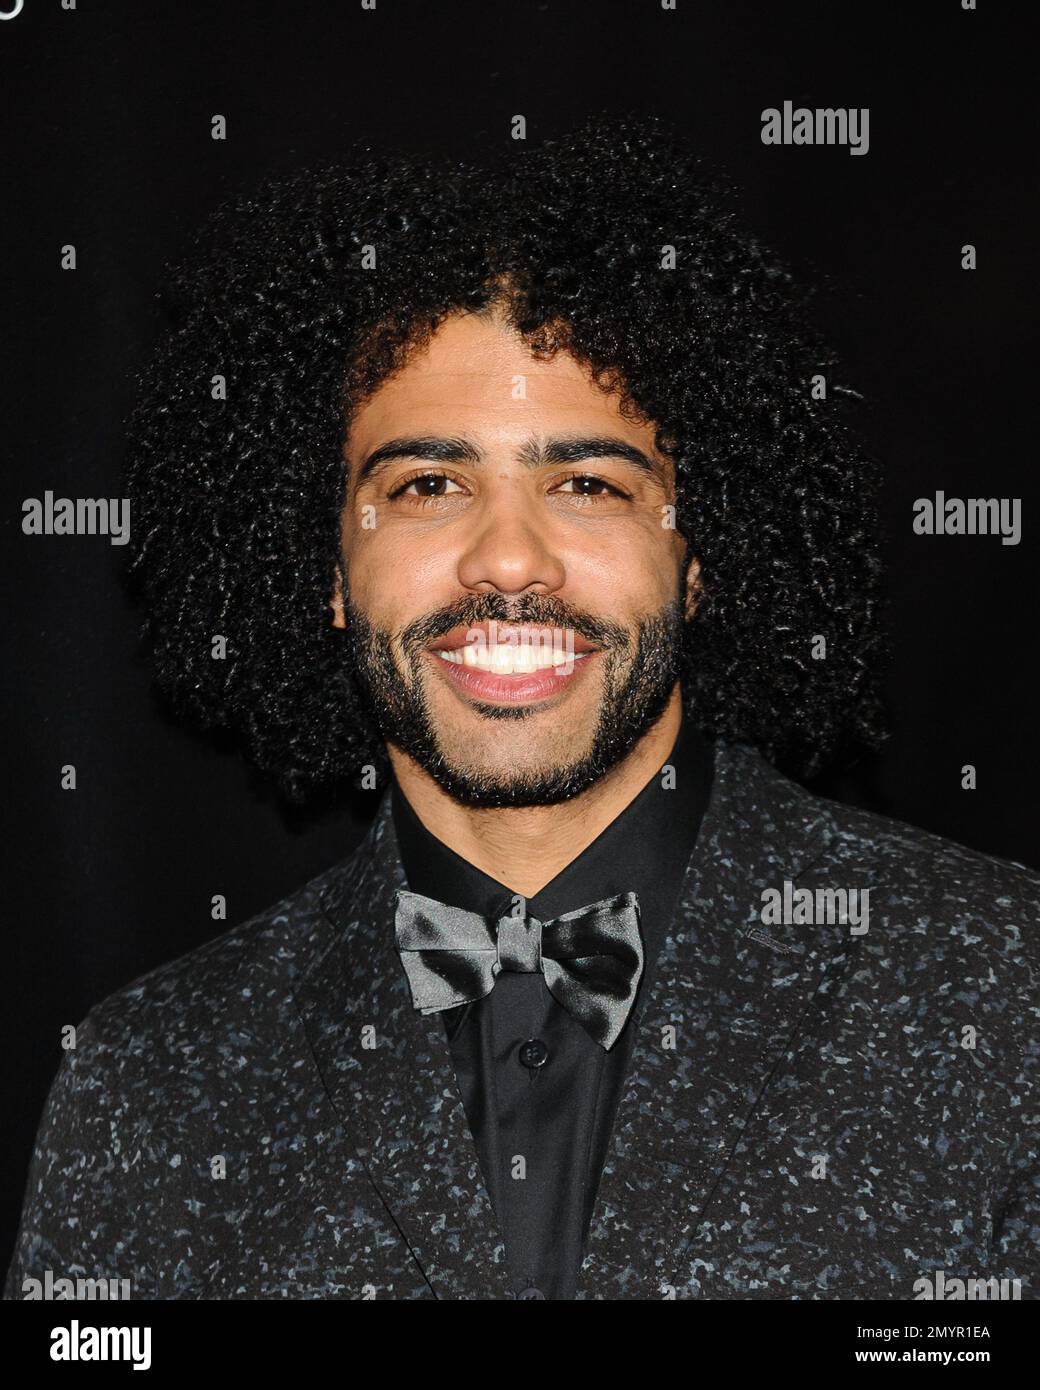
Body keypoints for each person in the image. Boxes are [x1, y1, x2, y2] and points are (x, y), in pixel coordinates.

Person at [6, 117, 1037, 1301]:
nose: (506, 559)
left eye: (586, 483)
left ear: (698, 560)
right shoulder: (142, 1083)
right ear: (325, 566)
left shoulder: (1004, 987)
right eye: (427, 484)